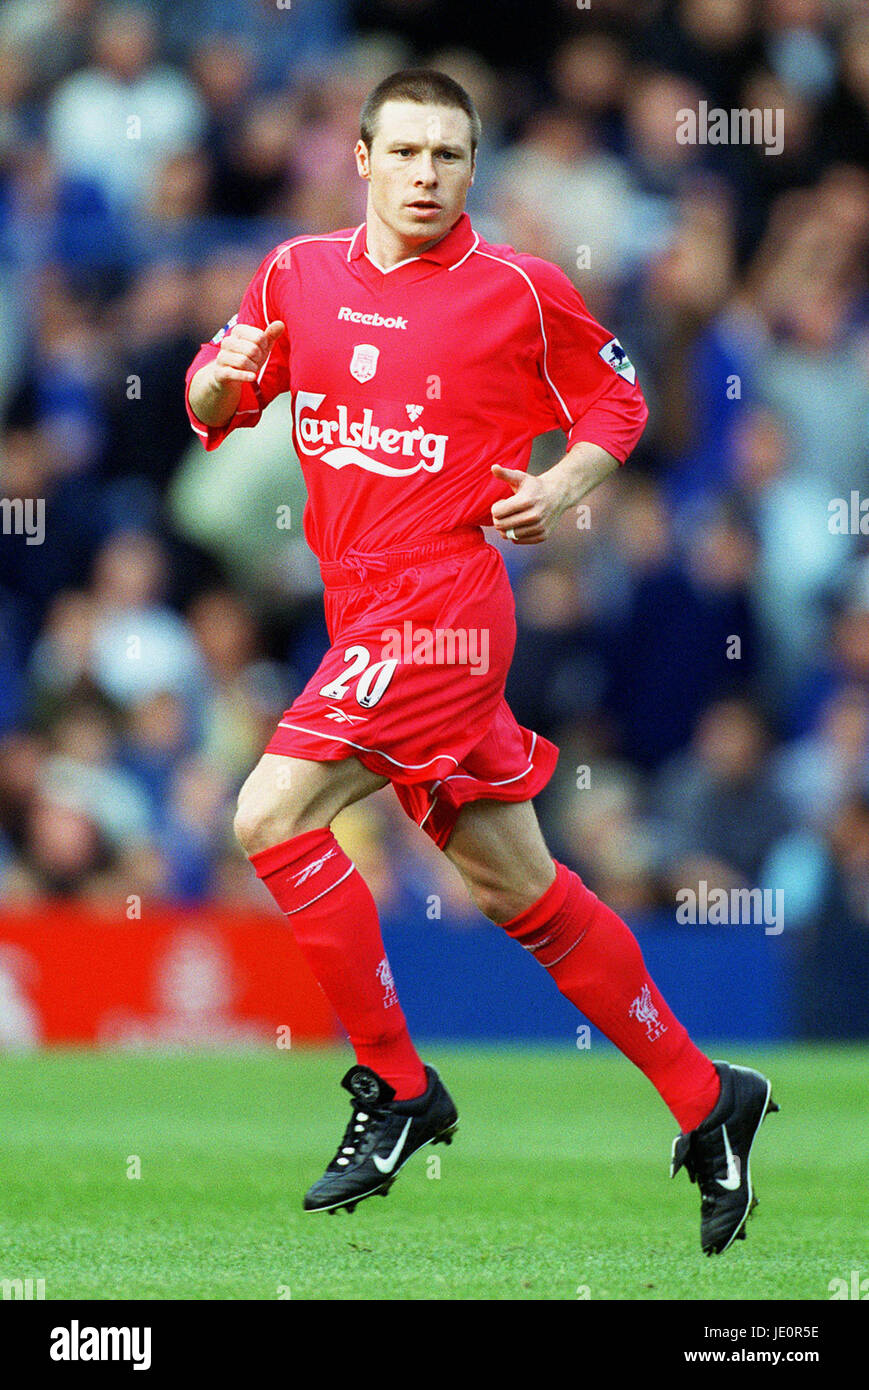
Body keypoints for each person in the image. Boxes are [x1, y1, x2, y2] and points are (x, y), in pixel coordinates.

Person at [184, 68, 777, 1254]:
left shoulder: (517, 289)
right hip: (360, 614)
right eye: (403, 153)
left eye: (447, 157)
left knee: (268, 813)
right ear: (359, 157)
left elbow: (618, 401)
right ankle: (707, 1098)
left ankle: (397, 1085)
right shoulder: (295, 275)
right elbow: (210, 398)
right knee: (519, 889)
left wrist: (560, 483)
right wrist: (220, 377)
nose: (424, 176)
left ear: (473, 168)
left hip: (446, 608)